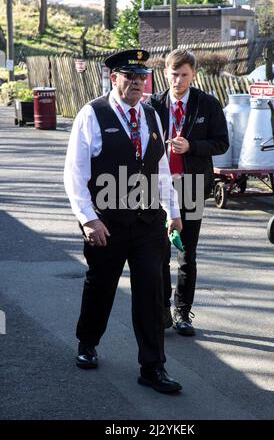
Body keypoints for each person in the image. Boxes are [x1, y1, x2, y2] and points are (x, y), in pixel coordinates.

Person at [64, 49, 183, 394]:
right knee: (101, 286)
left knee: (151, 292)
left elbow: (160, 169)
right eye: (129, 77)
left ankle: (153, 367)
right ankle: (87, 342)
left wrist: (173, 211)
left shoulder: (150, 115)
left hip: (147, 223)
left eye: (141, 78)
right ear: (113, 78)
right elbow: (75, 174)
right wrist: (88, 219)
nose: (136, 83)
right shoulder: (92, 114)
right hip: (107, 222)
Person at [149, 49, 229, 336]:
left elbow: (222, 143)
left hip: (192, 185)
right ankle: (161, 311)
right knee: (158, 251)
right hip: (158, 187)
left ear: (193, 74)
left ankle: (182, 312)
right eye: (174, 74)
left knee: (186, 252)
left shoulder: (207, 104)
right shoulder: (153, 105)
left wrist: (192, 147)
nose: (179, 80)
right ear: (165, 73)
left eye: (184, 75)